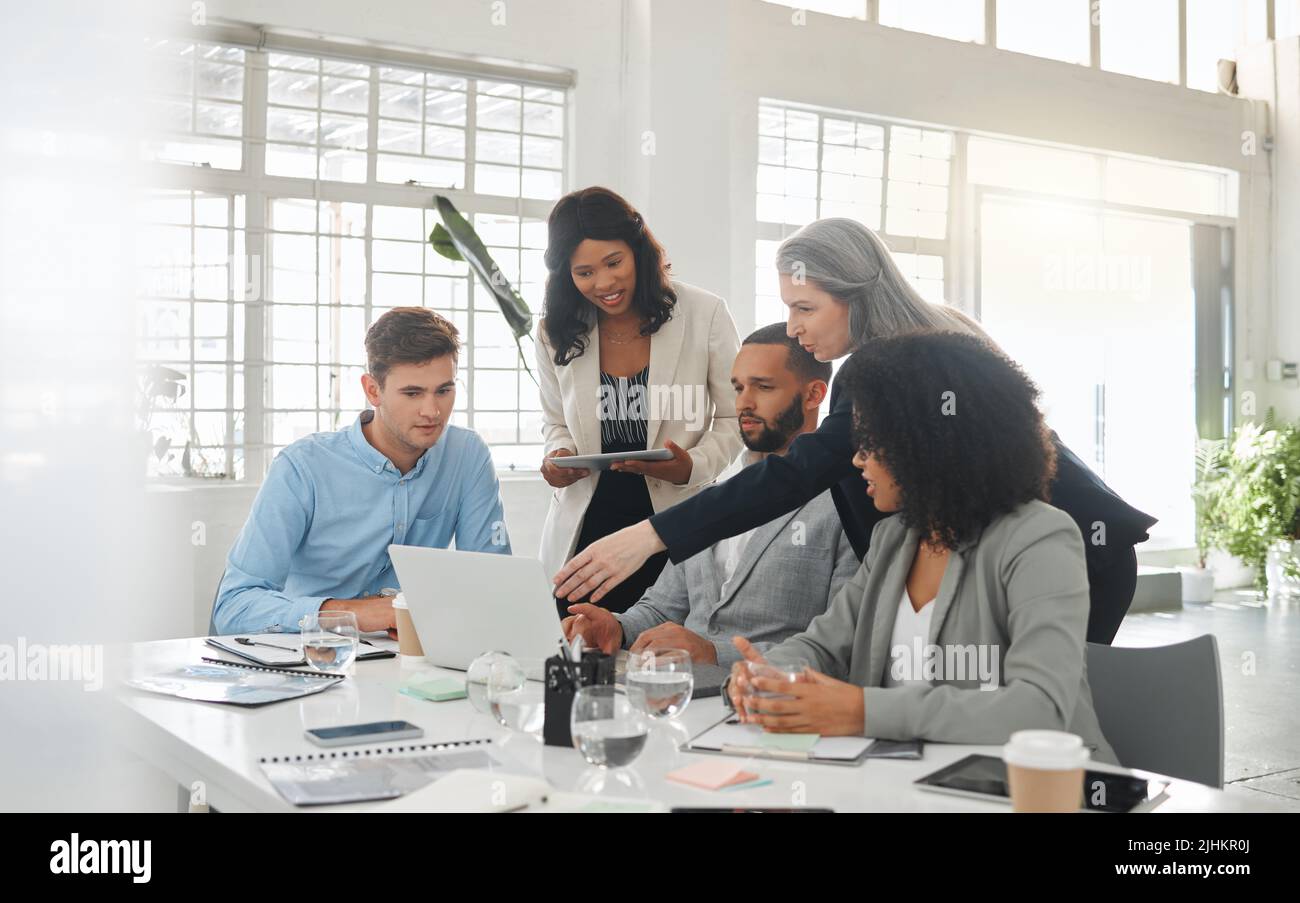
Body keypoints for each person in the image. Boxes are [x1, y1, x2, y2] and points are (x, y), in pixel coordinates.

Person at [553, 217, 1155, 644]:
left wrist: (653, 534)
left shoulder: (891, 365)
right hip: (1046, 556)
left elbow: (797, 474)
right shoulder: (925, 336)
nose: (792, 329)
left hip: (1075, 554)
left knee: (1043, 727)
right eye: (788, 307)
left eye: (805, 308)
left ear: (857, 297)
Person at [725, 332, 1117, 762]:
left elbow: (1039, 709)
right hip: (904, 782)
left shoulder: (1039, 537)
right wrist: (768, 673)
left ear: (930, 444)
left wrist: (861, 710)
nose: (857, 460)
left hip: (1031, 791)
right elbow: (823, 645)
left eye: (870, 443)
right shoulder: (894, 537)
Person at [561, 324, 859, 665]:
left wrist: (716, 654)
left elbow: (842, 650)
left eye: (763, 387)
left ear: (814, 395)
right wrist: (617, 626)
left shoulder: (846, 506)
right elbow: (662, 609)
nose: (743, 403)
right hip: (677, 700)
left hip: (770, 705)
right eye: (738, 388)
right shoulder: (709, 501)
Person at [212, 307, 510, 635]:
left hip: (409, 660)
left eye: (444, 390)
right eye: (412, 393)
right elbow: (233, 606)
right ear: (372, 390)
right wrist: (355, 614)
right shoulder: (302, 467)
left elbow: (492, 585)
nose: (432, 411)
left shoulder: (467, 455)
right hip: (311, 656)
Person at [537, 187, 742, 617]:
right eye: (584, 272)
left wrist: (693, 465)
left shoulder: (705, 314)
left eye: (614, 263)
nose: (604, 283)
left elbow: (735, 417)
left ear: (638, 250)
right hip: (586, 535)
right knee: (579, 661)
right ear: (565, 274)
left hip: (674, 524)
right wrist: (559, 455)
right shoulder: (555, 329)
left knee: (664, 661)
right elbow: (555, 420)